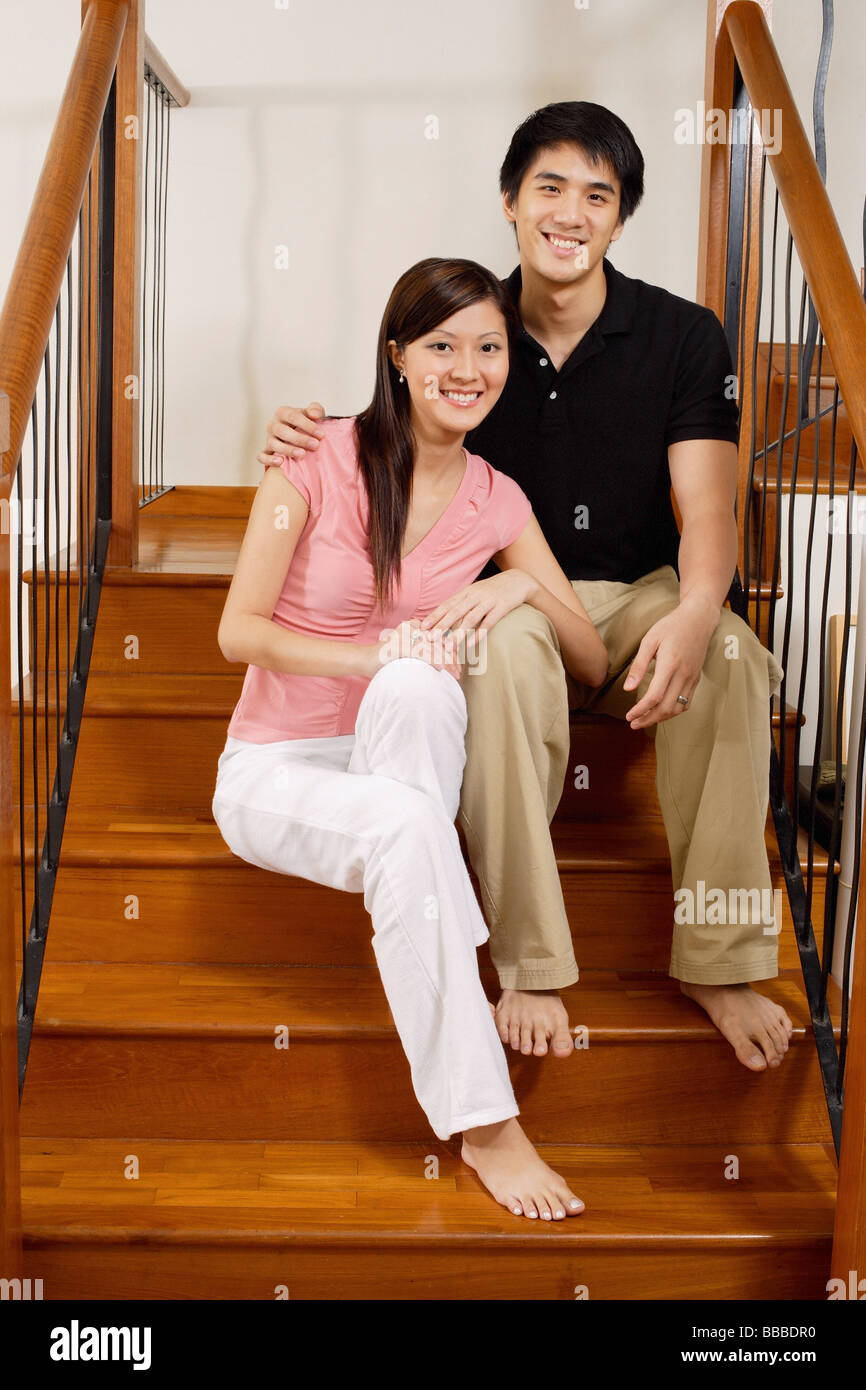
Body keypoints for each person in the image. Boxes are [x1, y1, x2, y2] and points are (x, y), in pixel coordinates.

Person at [260, 101, 794, 1076]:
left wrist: (693, 609)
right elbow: (392, 428)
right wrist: (305, 431)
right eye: (548, 186)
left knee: (728, 655)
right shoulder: (473, 327)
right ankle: (530, 960)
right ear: (509, 200)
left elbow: (708, 508)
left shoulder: (681, 336)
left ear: (620, 218)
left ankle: (717, 958)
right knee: (502, 650)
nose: (570, 212)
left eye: (597, 195)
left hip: (637, 590)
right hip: (500, 599)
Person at [211, 256, 609, 1222]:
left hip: (396, 765)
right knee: (415, 724)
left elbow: (591, 659)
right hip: (278, 769)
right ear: (398, 356)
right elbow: (238, 632)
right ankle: (484, 1121)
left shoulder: (496, 497)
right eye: (442, 346)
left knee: (432, 701)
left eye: (488, 347)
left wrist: (519, 585)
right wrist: (378, 656)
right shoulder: (312, 456)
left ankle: (419, 917)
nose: (467, 366)